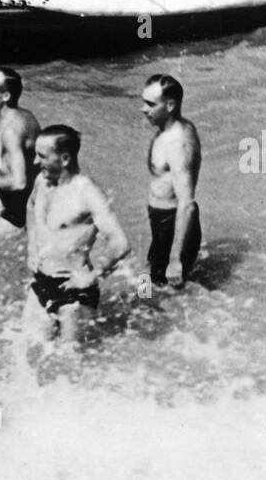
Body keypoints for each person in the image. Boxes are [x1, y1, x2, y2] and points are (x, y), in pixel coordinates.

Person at [26, 125, 130, 340]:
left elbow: (121, 243)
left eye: (42, 156)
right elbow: (30, 206)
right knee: (28, 352)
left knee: (70, 362)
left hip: (74, 290)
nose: (36, 162)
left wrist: (92, 276)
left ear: (64, 158)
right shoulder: (41, 182)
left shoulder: (87, 192)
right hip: (41, 281)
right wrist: (31, 247)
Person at [141, 74, 201, 288]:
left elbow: (188, 205)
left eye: (150, 104)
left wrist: (175, 259)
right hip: (161, 222)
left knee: (162, 290)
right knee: (146, 281)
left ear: (170, 105)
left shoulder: (179, 143)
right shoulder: (164, 132)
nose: (143, 109)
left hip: (173, 223)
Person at [0, 68, 41, 233]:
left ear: (6, 96)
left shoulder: (12, 130)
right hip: (20, 198)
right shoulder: (18, 115)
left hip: (19, 203)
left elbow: (19, 182)